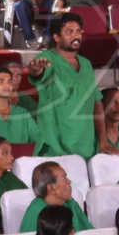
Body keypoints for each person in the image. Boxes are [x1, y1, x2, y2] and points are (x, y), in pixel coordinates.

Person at [28, 15, 102, 160]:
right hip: (55, 148)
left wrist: (103, 139)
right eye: (69, 32)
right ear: (56, 37)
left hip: (86, 147)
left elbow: (96, 102)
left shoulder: (86, 64)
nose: (76, 36)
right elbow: (35, 71)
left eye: (78, 31)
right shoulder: (48, 58)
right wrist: (35, 68)